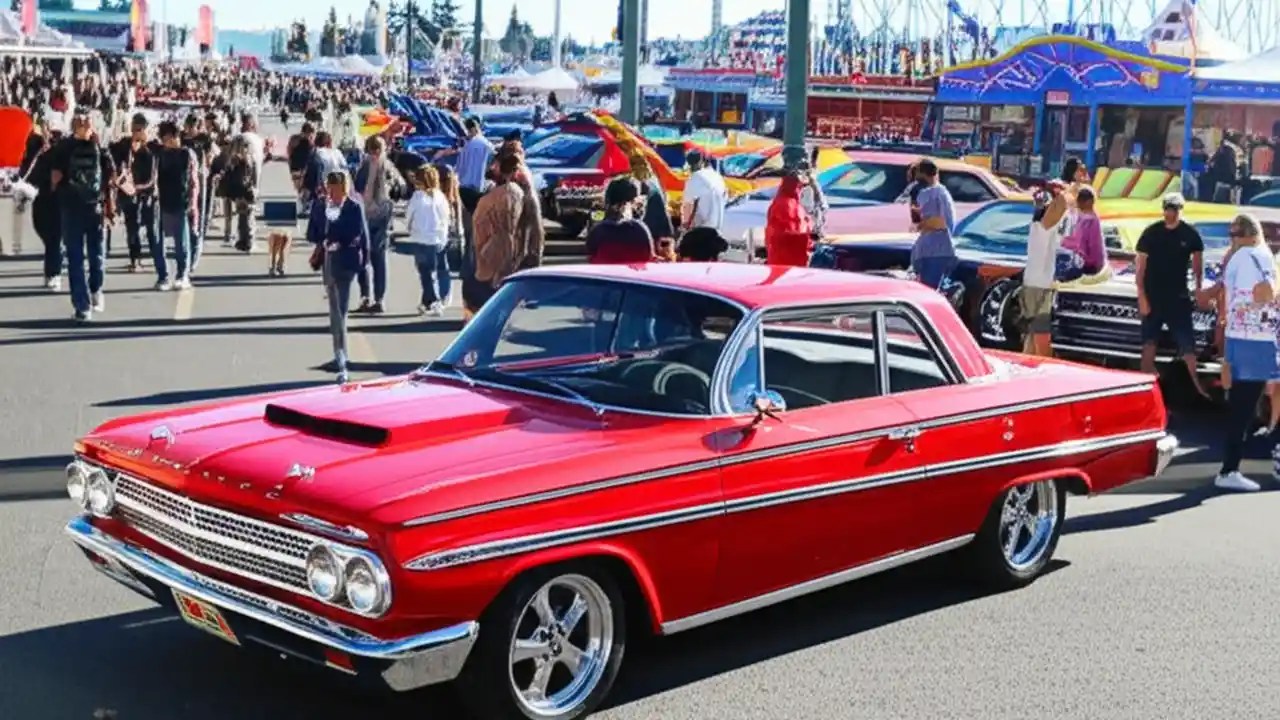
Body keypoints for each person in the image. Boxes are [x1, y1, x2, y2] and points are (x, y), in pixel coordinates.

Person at [1201, 214, 1276, 492]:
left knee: (1240, 406)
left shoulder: (1234, 259)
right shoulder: (1258, 256)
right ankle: (1229, 469)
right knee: (1246, 407)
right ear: (1256, 233)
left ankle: (1230, 467)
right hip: (1256, 338)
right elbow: (1266, 294)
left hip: (1237, 335)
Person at [1135, 192, 1207, 396]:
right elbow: (1140, 267)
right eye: (1167, 209)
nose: (1170, 213)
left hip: (1179, 296)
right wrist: (1141, 295)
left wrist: (1199, 288)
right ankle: (1146, 388)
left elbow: (1198, 265)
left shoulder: (1190, 234)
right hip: (1153, 294)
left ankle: (1194, 389)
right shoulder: (1151, 233)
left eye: (1174, 210)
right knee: (1149, 343)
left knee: (1187, 345)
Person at [51, 111, 115, 321]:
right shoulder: (99, 146)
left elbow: (54, 176)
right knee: (96, 254)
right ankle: (95, 291)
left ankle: (82, 306)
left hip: (71, 207)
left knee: (76, 258)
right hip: (94, 207)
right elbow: (111, 175)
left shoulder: (63, 147)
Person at [306, 171, 369, 384]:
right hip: (328, 262)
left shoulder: (354, 207)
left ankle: (341, 357)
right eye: (330, 187)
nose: (333, 192)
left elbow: (360, 234)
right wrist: (322, 227)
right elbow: (311, 234)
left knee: (340, 310)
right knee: (334, 310)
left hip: (347, 261)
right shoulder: (321, 206)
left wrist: (363, 267)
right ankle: (338, 352)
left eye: (336, 188)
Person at [468, 154, 527, 320]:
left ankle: (492, 316)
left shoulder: (492, 197)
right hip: (511, 243)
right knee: (503, 281)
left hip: (492, 244)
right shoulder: (519, 193)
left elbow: (478, 223)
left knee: (493, 283)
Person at [353, 135, 402, 313]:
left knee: (364, 258)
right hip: (383, 216)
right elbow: (401, 189)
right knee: (378, 259)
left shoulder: (365, 165)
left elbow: (356, 190)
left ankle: (367, 297)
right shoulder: (389, 166)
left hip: (368, 215)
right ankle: (378, 299)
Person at [1021, 183, 1070, 357]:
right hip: (1041, 285)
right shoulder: (1044, 227)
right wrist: (1060, 192)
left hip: (1032, 282)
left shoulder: (1037, 226)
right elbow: (1062, 205)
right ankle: (1043, 363)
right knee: (1041, 332)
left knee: (1032, 332)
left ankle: (1028, 361)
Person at [153, 121, 201, 290]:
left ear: (175, 137)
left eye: (168, 138)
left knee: (181, 242)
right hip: (161, 202)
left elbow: (194, 182)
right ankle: (163, 276)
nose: (166, 142)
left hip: (181, 202)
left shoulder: (187, 154)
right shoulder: (159, 154)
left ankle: (182, 274)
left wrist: (192, 203)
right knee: (158, 242)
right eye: (163, 138)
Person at [110, 113, 158, 273]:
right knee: (132, 227)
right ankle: (135, 259)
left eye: (140, 129)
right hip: (127, 195)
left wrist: (136, 188)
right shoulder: (123, 145)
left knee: (152, 229)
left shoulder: (151, 149)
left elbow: (152, 177)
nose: (136, 132)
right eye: (134, 128)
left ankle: (157, 258)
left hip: (146, 195)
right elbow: (111, 156)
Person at [406, 166, 451, 316]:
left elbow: (409, 215)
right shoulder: (440, 196)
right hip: (437, 238)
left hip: (421, 239)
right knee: (436, 271)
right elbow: (446, 218)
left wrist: (409, 229)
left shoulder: (418, 197)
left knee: (426, 272)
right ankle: (428, 301)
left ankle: (435, 301)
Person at [585, 177, 655, 264]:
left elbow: (591, 259)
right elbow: (649, 259)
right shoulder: (640, 230)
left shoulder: (597, 231)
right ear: (632, 201)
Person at [910, 159, 957, 289]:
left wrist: (922, 225)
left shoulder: (937, 193)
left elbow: (943, 222)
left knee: (929, 291)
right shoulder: (925, 193)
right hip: (927, 252)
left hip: (937, 253)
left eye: (918, 174)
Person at [764, 171, 815, 266]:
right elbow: (796, 230)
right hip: (792, 254)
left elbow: (770, 232)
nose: (801, 190)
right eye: (800, 187)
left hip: (778, 255)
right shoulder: (792, 206)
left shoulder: (779, 203)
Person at [1061, 186, 1105, 275]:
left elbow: (1091, 244)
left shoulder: (1089, 220)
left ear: (1088, 202)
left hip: (1087, 264)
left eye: (1080, 202)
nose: (1078, 204)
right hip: (1090, 262)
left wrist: (1063, 242)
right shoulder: (1086, 218)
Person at [680, 150, 727, 231]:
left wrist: (685, 224)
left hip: (702, 227)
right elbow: (725, 197)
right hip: (718, 226)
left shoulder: (695, 178)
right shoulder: (717, 177)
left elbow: (687, 205)